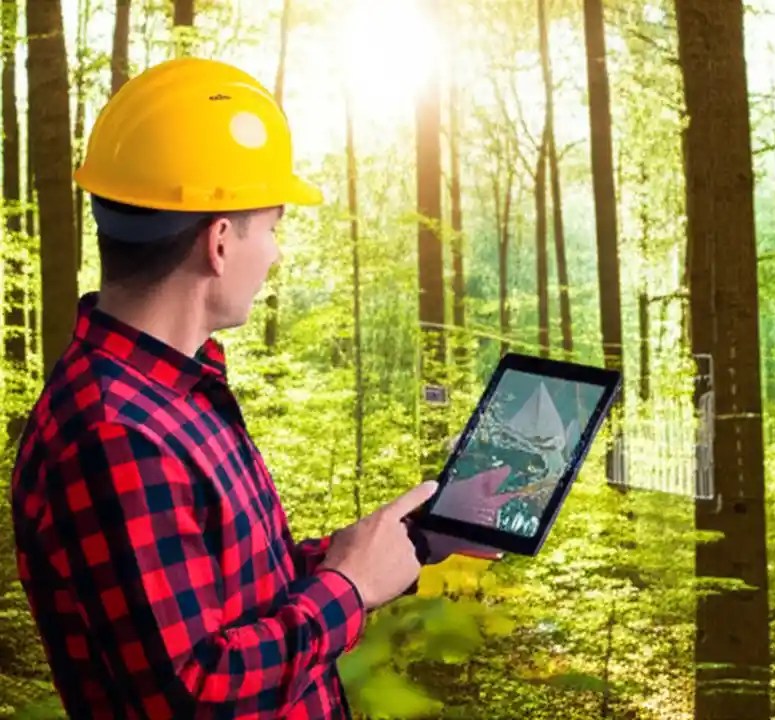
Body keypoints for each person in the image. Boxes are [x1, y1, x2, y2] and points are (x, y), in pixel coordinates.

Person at [8, 57, 490, 719]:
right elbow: (195, 694)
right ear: (222, 242)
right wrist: (348, 589)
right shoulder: (118, 435)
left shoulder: (176, 392)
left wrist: (404, 543)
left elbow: (241, 595)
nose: (277, 254)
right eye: (273, 228)